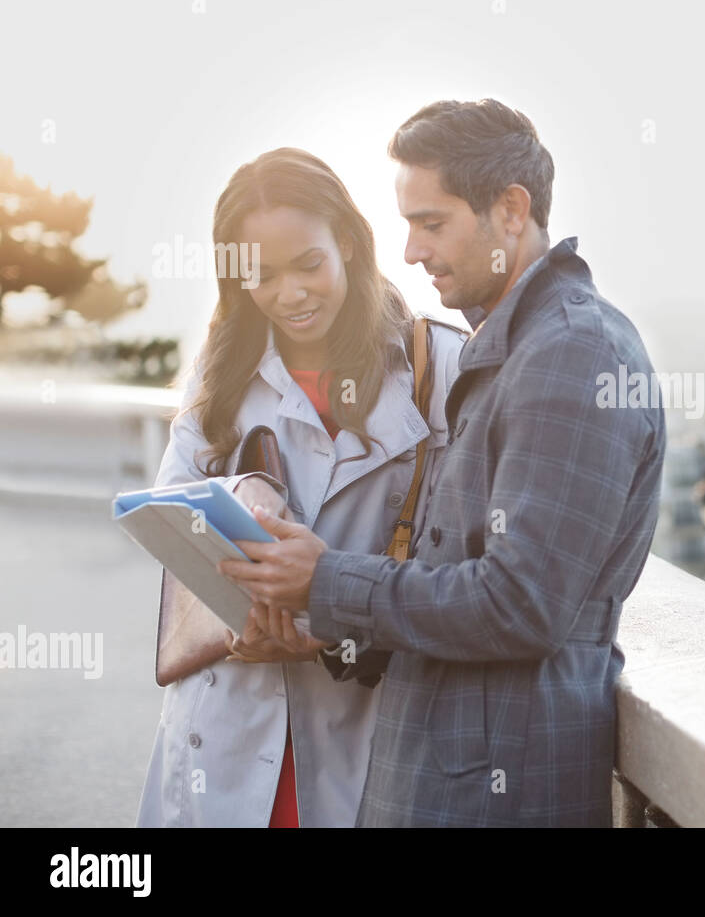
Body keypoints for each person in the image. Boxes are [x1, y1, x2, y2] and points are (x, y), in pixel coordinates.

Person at [221, 99, 668, 826]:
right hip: (445, 778)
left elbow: (521, 605)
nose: (410, 252)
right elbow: (452, 579)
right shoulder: (511, 349)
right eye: (407, 226)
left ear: (511, 211)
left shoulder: (572, 353)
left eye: (432, 224)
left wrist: (327, 578)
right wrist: (329, 629)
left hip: (496, 789)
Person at [136, 147, 466, 827]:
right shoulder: (220, 370)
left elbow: (459, 562)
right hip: (229, 709)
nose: (289, 294)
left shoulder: (440, 369)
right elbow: (172, 519)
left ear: (347, 240)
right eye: (261, 274)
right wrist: (243, 623)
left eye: (308, 265)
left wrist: (326, 619)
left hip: (361, 713)